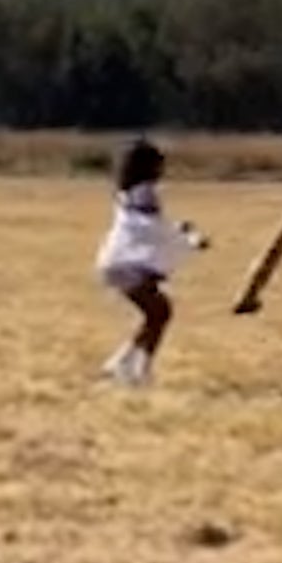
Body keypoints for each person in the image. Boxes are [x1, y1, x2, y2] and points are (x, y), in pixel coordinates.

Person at [93, 136, 208, 386]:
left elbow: (150, 227)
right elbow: (154, 229)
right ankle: (137, 369)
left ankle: (123, 363)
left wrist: (179, 231)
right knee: (159, 312)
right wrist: (188, 239)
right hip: (128, 265)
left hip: (117, 262)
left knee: (157, 314)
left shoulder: (128, 193)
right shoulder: (144, 194)